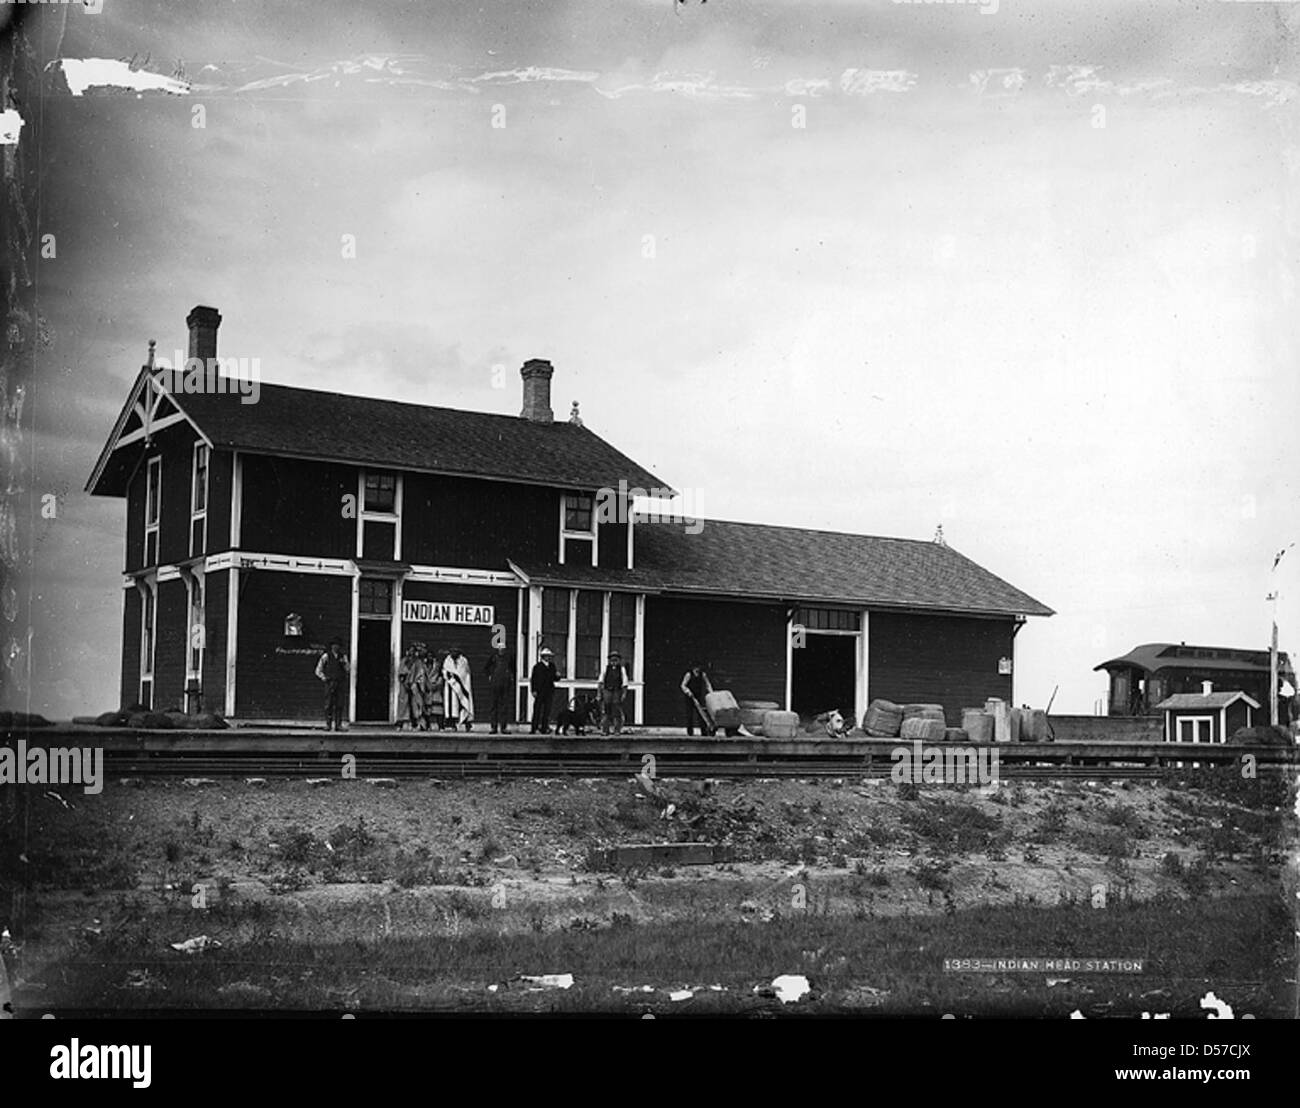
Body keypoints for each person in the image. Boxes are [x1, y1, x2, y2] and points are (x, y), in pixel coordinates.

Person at [315, 637, 349, 731]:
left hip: (340, 683)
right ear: (331, 646)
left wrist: (344, 664)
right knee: (328, 704)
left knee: (339, 704)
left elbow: (348, 669)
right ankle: (328, 725)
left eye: (337, 645)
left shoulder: (343, 657)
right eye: (334, 645)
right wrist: (324, 678)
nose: (336, 647)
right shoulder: (326, 656)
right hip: (330, 682)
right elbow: (318, 669)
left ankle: (338, 725)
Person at [485, 643, 516, 734]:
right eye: (500, 648)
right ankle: (493, 727)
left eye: (503, 648)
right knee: (494, 706)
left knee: (504, 706)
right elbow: (486, 668)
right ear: (497, 649)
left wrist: (510, 678)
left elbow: (513, 669)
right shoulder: (493, 657)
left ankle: (503, 727)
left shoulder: (509, 658)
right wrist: (490, 676)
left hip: (505, 685)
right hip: (495, 685)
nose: (502, 650)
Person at [443, 646, 474, 731]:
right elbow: (446, 672)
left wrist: (461, 681)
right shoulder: (447, 661)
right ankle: (452, 724)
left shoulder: (463, 661)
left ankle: (466, 723)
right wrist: (453, 681)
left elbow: (465, 672)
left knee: (464, 703)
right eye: (452, 652)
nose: (454, 654)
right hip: (451, 686)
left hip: (462, 686)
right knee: (451, 706)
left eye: (456, 652)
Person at [600, 650, 629, 736]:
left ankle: (617, 730)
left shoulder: (622, 670)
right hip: (607, 691)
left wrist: (624, 694)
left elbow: (625, 683)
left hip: (617, 691)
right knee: (606, 711)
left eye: (616, 660)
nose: (614, 662)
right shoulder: (605, 669)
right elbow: (601, 681)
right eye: (612, 660)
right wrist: (600, 693)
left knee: (616, 711)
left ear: (619, 661)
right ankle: (605, 730)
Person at [529, 647, 558, 734]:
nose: (548, 658)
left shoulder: (552, 666)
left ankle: (544, 728)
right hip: (540, 691)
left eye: (549, 656)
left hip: (549, 691)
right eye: (546, 656)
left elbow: (554, 678)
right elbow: (533, 679)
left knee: (547, 710)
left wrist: (557, 676)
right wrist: (533, 690)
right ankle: (534, 728)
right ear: (543, 657)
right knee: (537, 709)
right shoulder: (537, 667)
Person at [680, 662, 714, 736]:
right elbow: (683, 685)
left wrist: (711, 693)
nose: (697, 669)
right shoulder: (689, 675)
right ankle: (690, 733)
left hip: (698, 696)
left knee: (701, 714)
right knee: (689, 715)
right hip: (690, 697)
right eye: (696, 667)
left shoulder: (703, 674)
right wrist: (688, 692)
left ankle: (704, 733)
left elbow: (708, 684)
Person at [426, 649, 447, 729]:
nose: (429, 658)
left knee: (438, 710)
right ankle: (427, 725)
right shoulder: (424, 666)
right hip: (427, 689)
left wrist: (438, 683)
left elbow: (441, 675)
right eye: (428, 656)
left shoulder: (438, 665)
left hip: (436, 688)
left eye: (431, 656)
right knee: (427, 710)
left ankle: (441, 726)